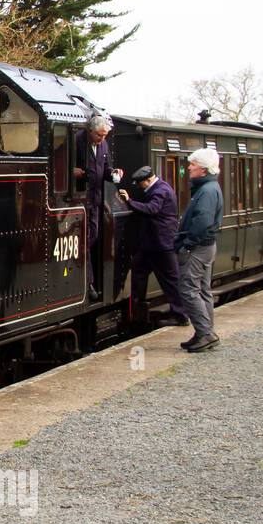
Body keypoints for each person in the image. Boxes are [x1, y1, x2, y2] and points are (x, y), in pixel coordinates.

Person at [117, 165, 188, 327]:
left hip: (162, 245)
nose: (140, 187)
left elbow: (152, 209)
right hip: (151, 244)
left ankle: (180, 315)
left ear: (148, 180)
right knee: (138, 270)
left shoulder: (159, 191)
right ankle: (137, 311)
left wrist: (129, 201)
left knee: (170, 280)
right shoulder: (161, 187)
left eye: (140, 184)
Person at [174, 148, 224, 353]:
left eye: (193, 164)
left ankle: (205, 333)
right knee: (203, 290)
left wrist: (188, 244)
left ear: (203, 169)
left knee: (188, 288)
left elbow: (203, 220)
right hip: (206, 245)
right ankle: (204, 331)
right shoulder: (210, 188)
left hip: (198, 247)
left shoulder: (207, 191)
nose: (189, 167)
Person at [74, 112, 124, 300]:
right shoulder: (78, 141)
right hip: (80, 199)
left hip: (95, 200)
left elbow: (106, 168)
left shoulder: (102, 144)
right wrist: (72, 172)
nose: (102, 139)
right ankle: (88, 283)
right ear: (90, 131)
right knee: (85, 241)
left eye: (105, 136)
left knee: (92, 237)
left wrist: (114, 173)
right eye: (99, 135)